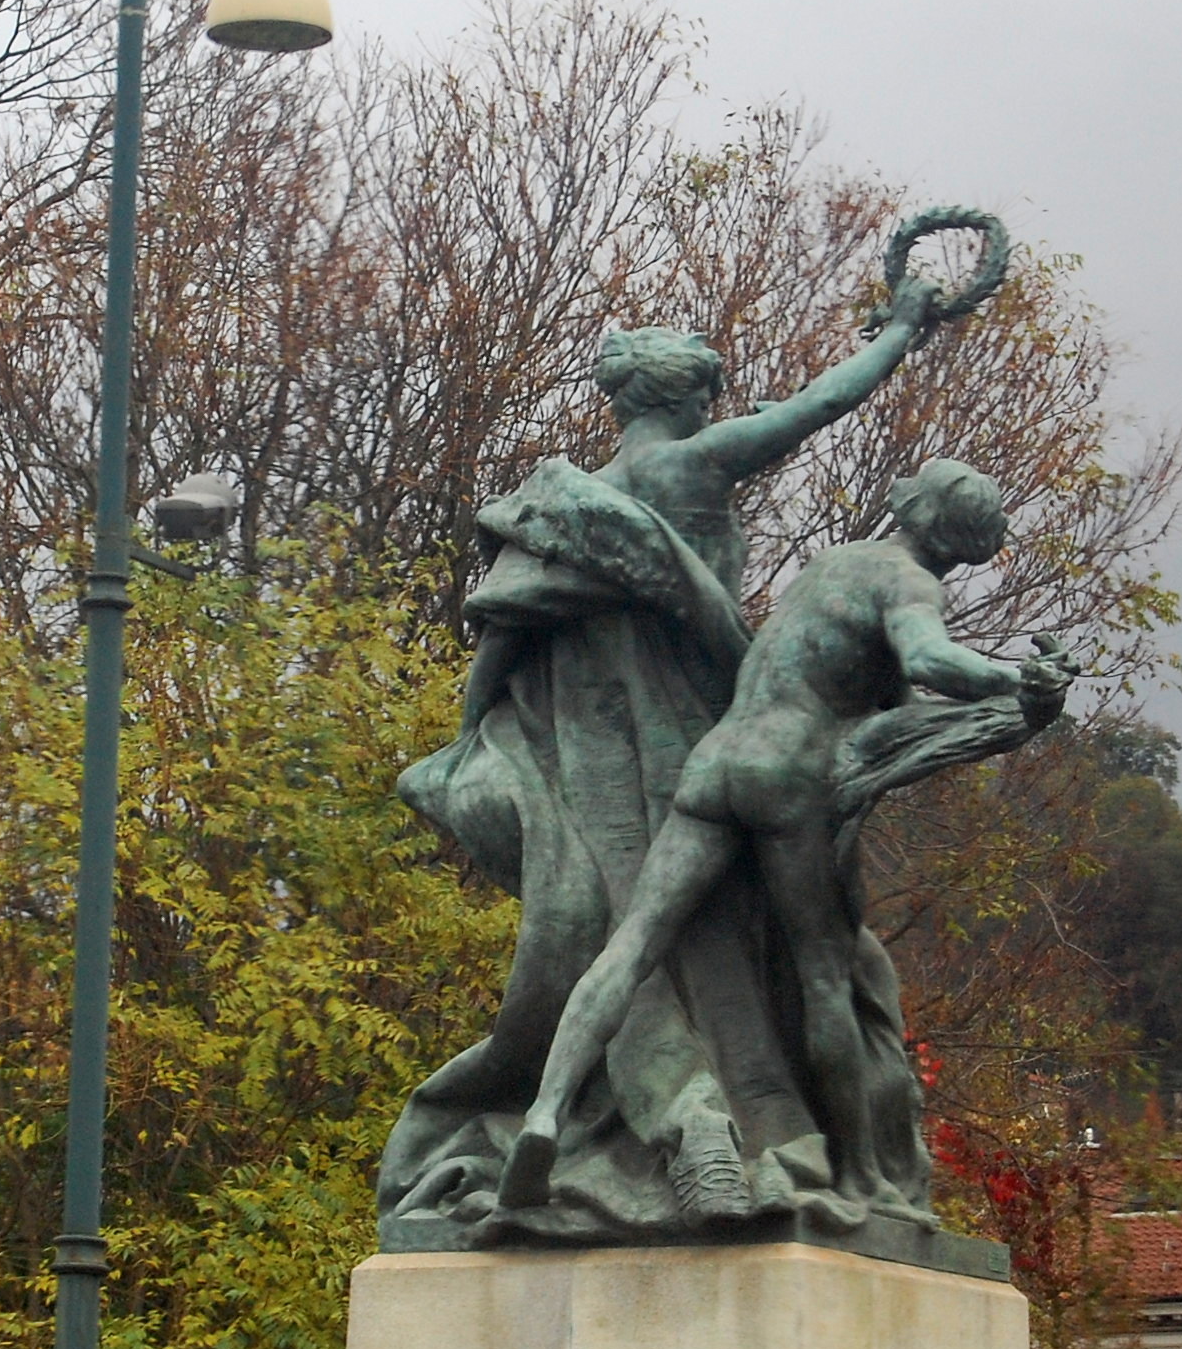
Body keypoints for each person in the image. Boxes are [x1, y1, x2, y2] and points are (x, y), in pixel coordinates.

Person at [376, 279, 950, 1238]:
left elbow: (498, 642)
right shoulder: (689, 470)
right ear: (684, 403)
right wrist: (900, 330)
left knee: (621, 935)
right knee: (744, 945)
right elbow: (820, 406)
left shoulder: (561, 507)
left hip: (569, 754)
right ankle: (724, 1128)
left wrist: (469, 740)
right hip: (693, 743)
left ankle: (627, 1117)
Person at [498, 459, 1067, 1219]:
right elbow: (927, 660)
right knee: (824, 978)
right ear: (966, 544)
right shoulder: (911, 587)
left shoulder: (833, 565)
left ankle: (546, 1110)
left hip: (717, 762)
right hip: (789, 780)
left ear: (910, 503)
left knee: (632, 944)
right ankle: (860, 1175)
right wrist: (1015, 682)